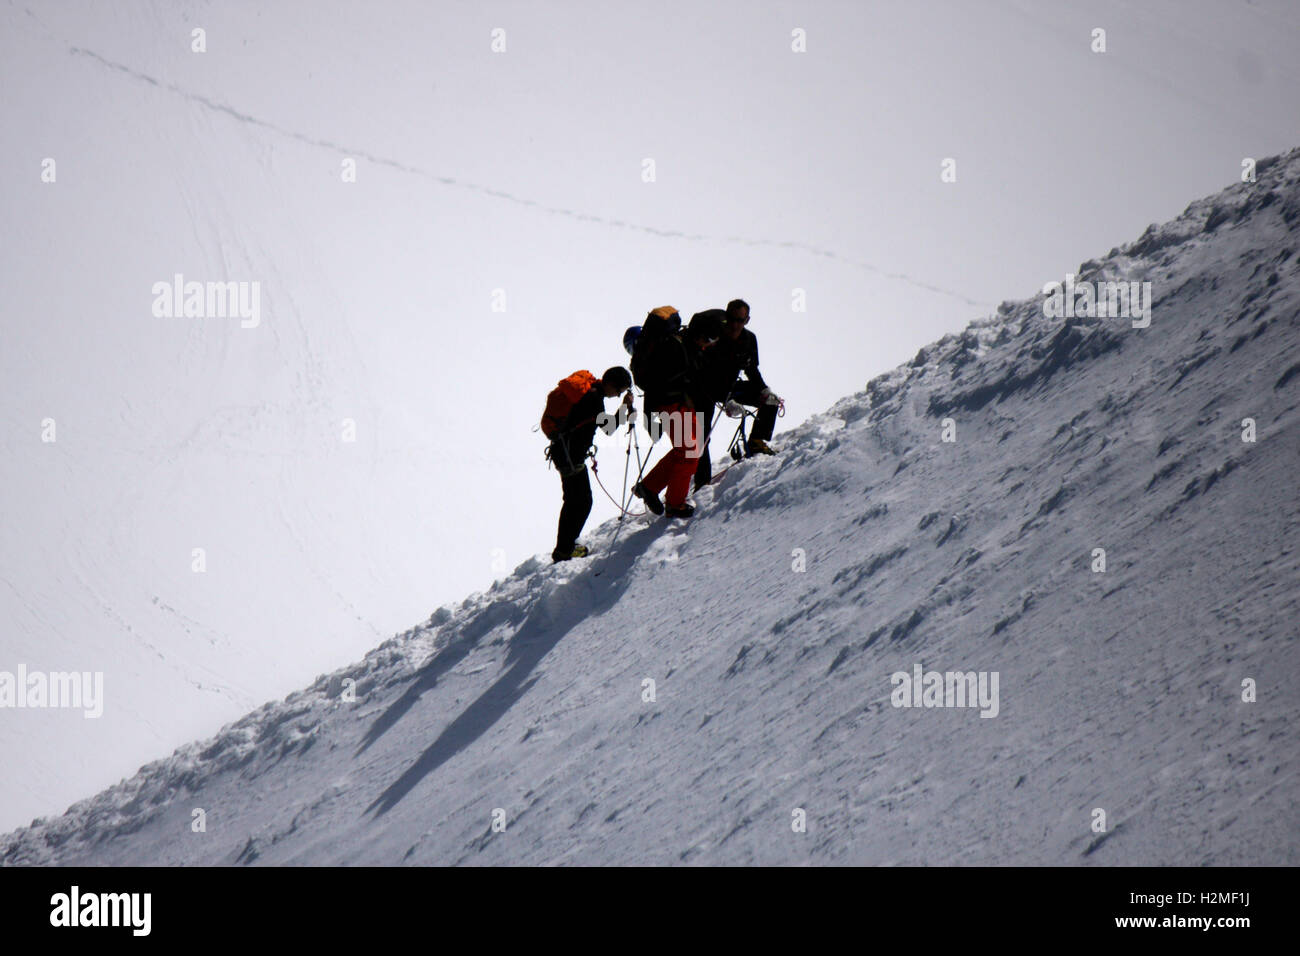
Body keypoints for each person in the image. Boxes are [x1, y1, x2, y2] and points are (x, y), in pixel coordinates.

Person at [540, 366, 633, 562]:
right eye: (618, 391)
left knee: (574, 501)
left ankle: (564, 546)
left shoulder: (589, 392)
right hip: (570, 456)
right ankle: (564, 549)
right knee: (581, 502)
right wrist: (624, 408)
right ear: (609, 384)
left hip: (564, 452)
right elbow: (608, 428)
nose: (617, 395)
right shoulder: (593, 399)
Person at [628, 306, 703, 519]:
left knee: (690, 449)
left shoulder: (656, 347)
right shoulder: (671, 343)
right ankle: (675, 503)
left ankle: (650, 487)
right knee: (689, 452)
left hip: (671, 404)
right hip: (674, 404)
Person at [712, 299, 782, 456]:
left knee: (770, 401)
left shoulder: (749, 339)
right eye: (732, 319)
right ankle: (701, 476)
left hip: (731, 387)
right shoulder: (715, 337)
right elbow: (705, 373)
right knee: (701, 435)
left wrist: (764, 389)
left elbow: (751, 369)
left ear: (747, 320)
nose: (735, 324)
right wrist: (725, 399)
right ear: (726, 317)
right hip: (708, 389)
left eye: (740, 320)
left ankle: (756, 442)